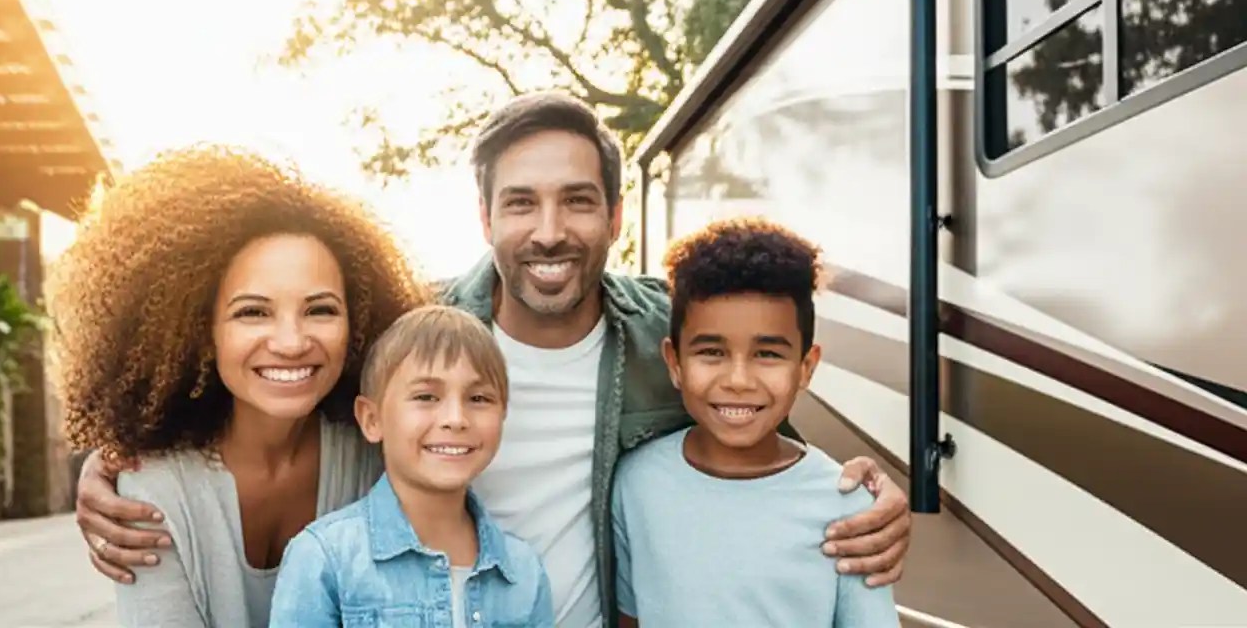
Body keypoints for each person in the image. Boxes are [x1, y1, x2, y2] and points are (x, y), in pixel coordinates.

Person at [72, 92, 913, 627]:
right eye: (521, 202)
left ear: (615, 216)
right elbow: (289, 372)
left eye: (576, 201)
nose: (549, 230)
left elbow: (763, 427)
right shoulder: (412, 335)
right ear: (484, 217)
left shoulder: (671, 333)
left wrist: (871, 487)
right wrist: (111, 462)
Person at [49, 146, 427, 626]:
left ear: (359, 323)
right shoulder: (155, 485)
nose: (291, 342)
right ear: (196, 329)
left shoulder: (375, 455)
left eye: (320, 310)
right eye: (252, 312)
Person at [612, 217, 900, 627]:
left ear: (806, 367)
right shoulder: (636, 482)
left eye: (767, 355)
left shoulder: (847, 503)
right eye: (712, 352)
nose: (738, 381)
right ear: (674, 362)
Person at [268, 305, 555, 626]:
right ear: (372, 419)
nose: (455, 419)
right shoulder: (326, 559)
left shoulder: (523, 572)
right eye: (426, 397)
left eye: (478, 399)